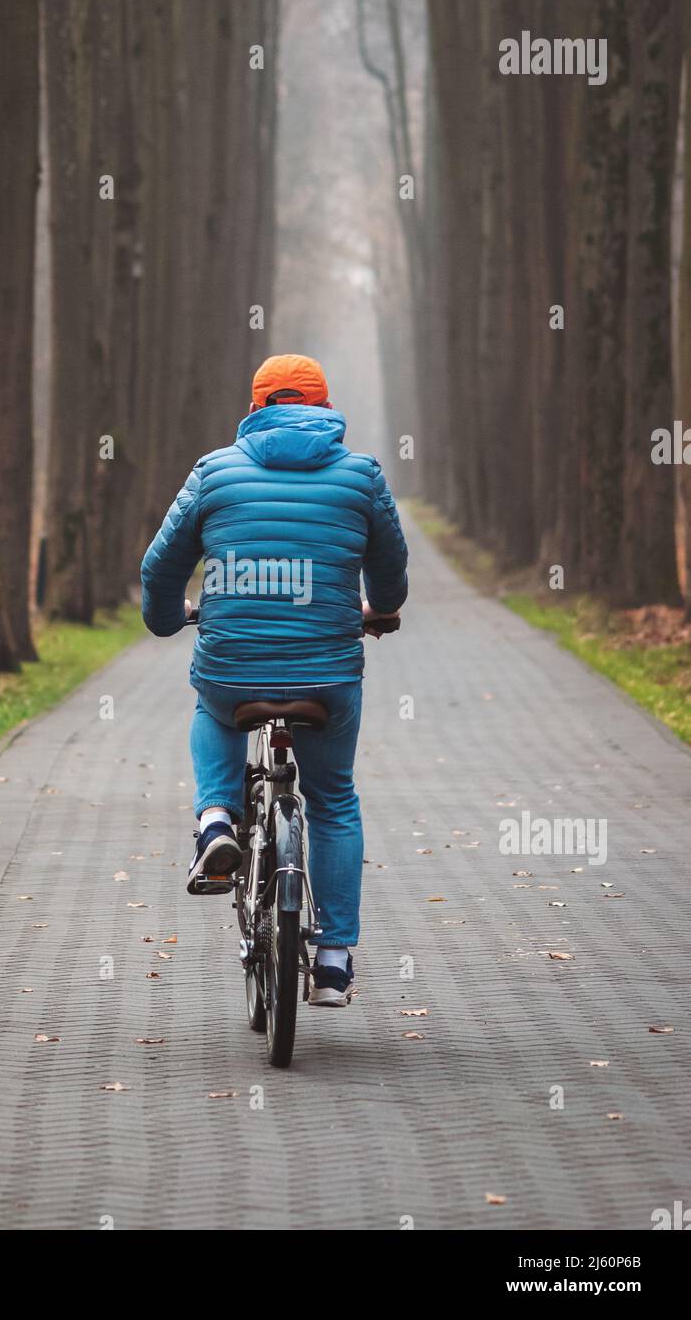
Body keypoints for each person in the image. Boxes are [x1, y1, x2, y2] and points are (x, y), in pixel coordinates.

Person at [140, 354, 408, 1006]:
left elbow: (159, 568)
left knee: (213, 705)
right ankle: (336, 959)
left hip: (234, 667)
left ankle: (215, 824)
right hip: (328, 677)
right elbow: (392, 578)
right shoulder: (362, 476)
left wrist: (167, 619)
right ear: (325, 407)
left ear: (256, 407)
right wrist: (377, 610)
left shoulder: (214, 473)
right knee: (333, 800)